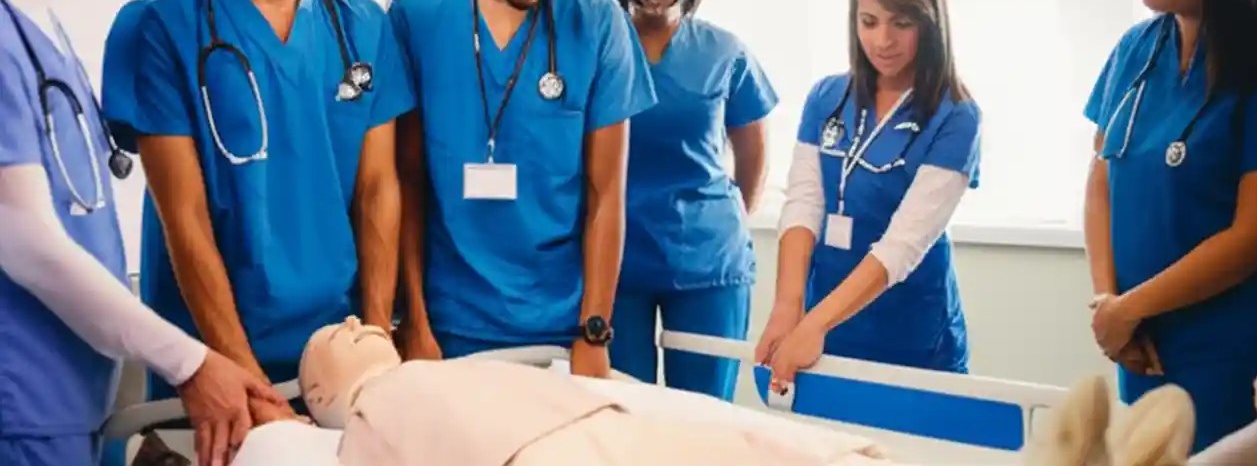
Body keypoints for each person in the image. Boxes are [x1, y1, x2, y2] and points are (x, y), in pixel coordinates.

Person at [0, 0, 284, 466]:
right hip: (21, 411)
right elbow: (25, 240)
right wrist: (191, 360)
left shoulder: (44, 32)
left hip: (71, 409)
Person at [100, 0, 414, 420]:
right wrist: (243, 379)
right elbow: (182, 219)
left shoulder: (363, 26)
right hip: (216, 360)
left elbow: (378, 188)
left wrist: (376, 339)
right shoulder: (164, 25)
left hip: (338, 346)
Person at [390, 0, 656, 375]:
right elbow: (407, 185)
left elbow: (608, 195)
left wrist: (594, 331)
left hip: (559, 331)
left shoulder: (598, 25)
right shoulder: (418, 19)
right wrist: (413, 322)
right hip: (448, 328)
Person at [1084, 0, 1257, 452]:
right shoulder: (1135, 49)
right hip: (1139, 341)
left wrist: (1130, 307)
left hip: (1228, 343)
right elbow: (1101, 180)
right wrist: (1108, 306)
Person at [755, 0, 981, 389]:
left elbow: (903, 243)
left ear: (930, 23)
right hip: (825, 332)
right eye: (869, 21)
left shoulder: (956, 117)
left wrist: (813, 324)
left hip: (912, 337)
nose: (883, 40)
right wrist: (788, 307)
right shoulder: (827, 98)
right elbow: (803, 204)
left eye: (902, 23)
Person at [229, 317, 887, 466]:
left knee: (699, 438)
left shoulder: (453, 370)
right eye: (338, 337)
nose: (353, 319)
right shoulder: (372, 416)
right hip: (537, 451)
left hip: (587, 413)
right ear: (320, 395)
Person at [605, 0, 776, 401]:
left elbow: (753, 150)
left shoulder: (723, 51)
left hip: (708, 265)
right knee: (623, 412)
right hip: (616, 263)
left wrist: (729, 219)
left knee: (705, 421)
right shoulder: (598, 42)